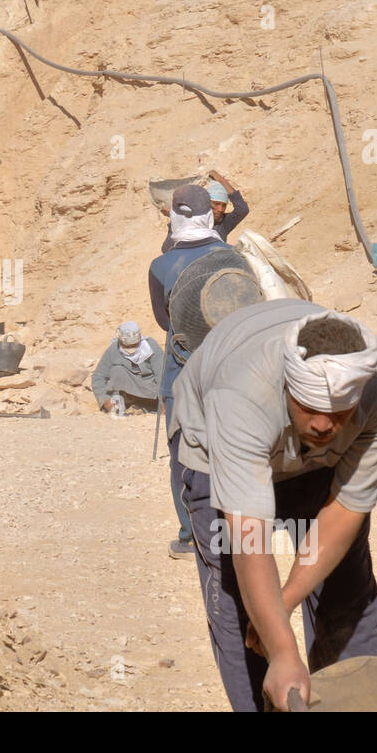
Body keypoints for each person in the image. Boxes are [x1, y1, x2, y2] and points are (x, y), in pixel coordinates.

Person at [167, 300, 377, 712]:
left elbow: (345, 512)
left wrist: (281, 606)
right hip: (214, 444)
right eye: (309, 407)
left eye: (337, 412)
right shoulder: (242, 392)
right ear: (287, 385)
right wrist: (281, 648)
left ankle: (351, 703)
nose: (322, 424)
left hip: (319, 460)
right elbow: (249, 537)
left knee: (346, 586)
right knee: (238, 602)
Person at [149, 184, 232, 559]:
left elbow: (164, 321)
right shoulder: (233, 256)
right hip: (231, 370)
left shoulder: (160, 265)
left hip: (181, 372)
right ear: (209, 215)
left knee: (183, 453)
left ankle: (189, 536)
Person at [159, 170, 251, 253]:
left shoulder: (222, 224)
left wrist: (221, 180)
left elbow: (242, 209)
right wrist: (176, 218)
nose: (221, 209)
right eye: (216, 204)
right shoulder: (185, 223)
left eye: (224, 205)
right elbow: (166, 250)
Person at [91, 322, 164, 414]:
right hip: (126, 396)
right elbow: (98, 377)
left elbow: (162, 377)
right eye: (127, 346)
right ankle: (123, 408)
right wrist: (105, 400)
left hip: (150, 393)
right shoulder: (113, 350)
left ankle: (145, 407)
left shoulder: (151, 347)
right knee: (117, 370)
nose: (130, 349)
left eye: (134, 345)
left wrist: (164, 403)